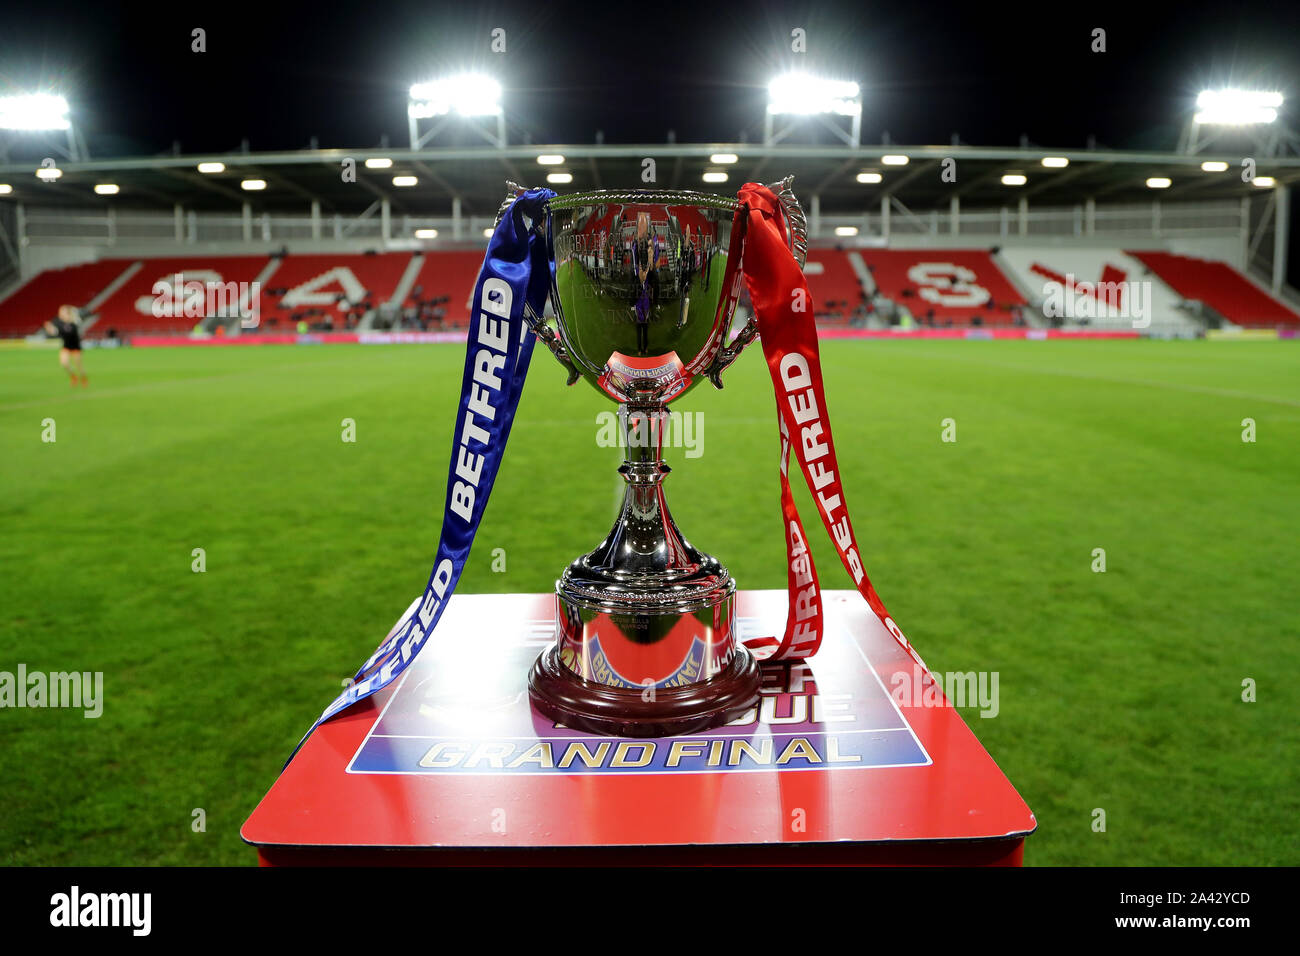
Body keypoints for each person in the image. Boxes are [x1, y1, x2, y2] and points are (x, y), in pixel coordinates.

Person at [43, 305, 88, 387]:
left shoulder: (74, 322)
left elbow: (69, 333)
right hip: (66, 346)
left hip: (75, 347)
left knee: (78, 365)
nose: (60, 313)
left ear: (67, 313)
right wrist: (49, 328)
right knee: (64, 363)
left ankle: (83, 377)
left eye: (62, 312)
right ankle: (73, 377)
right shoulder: (58, 322)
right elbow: (54, 333)